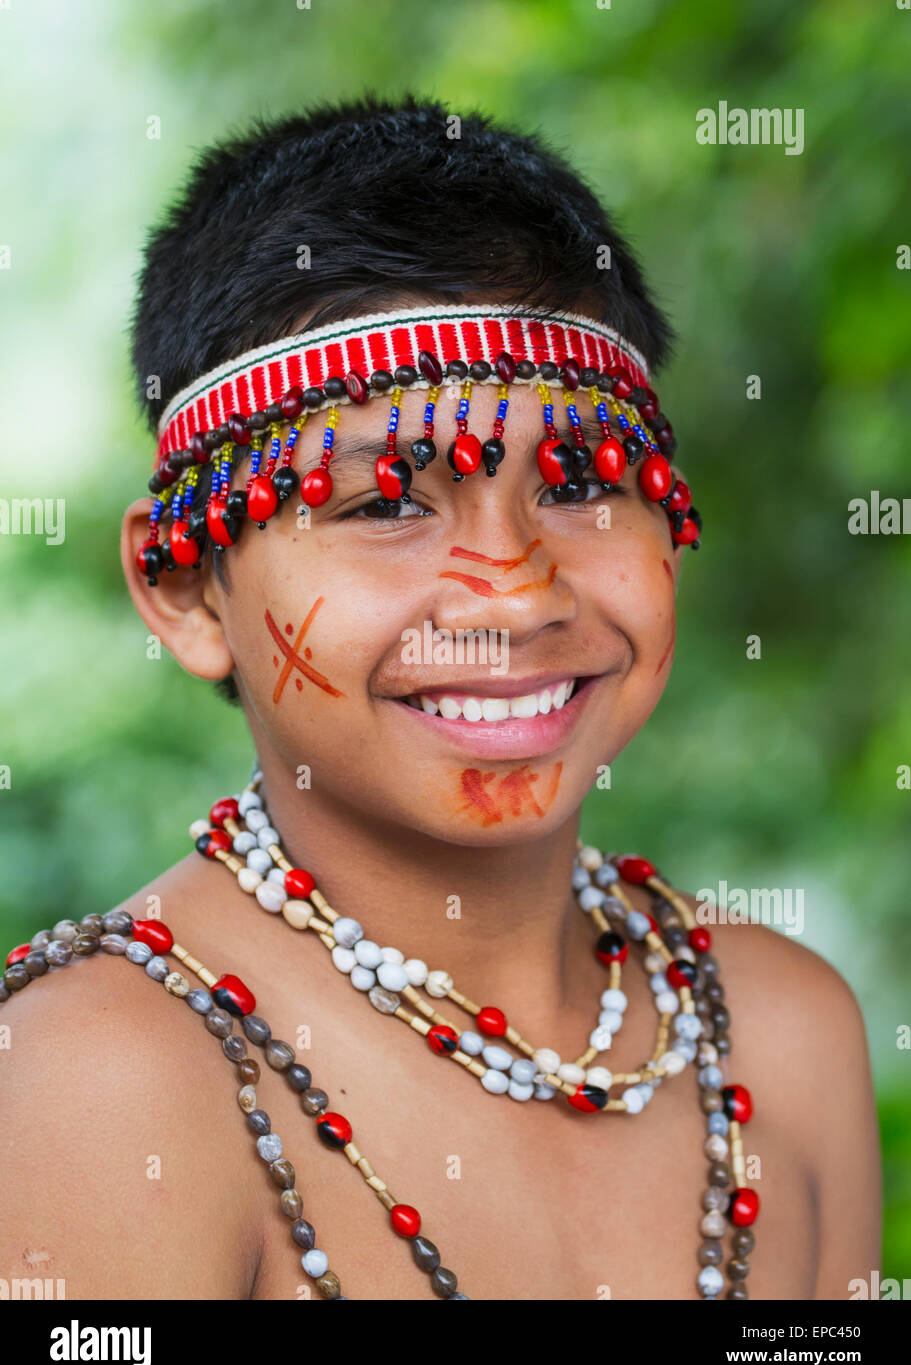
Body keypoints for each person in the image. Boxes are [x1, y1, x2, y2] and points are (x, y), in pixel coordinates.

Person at [0, 96, 880, 1301]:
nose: (515, 594)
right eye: (381, 503)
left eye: (582, 481)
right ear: (186, 587)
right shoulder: (101, 1082)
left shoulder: (779, 1032)